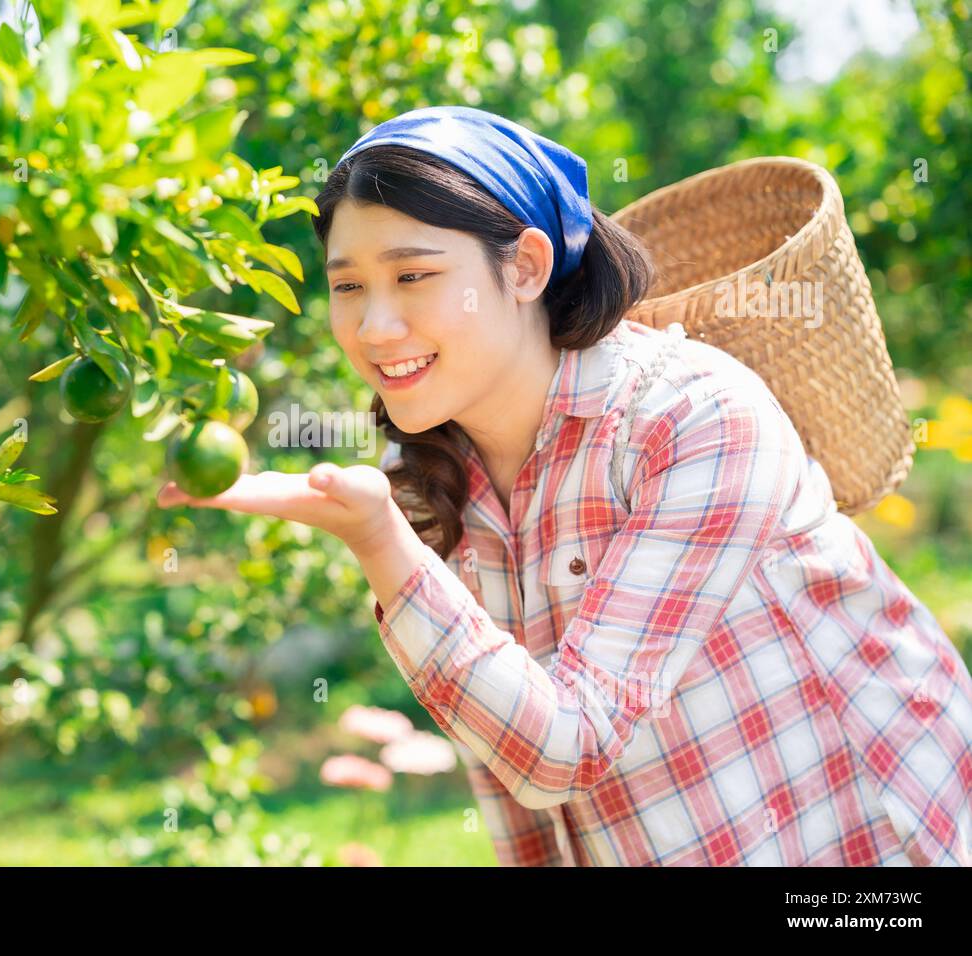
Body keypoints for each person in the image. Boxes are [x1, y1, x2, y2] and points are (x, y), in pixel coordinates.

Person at [157, 106, 972, 866]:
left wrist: (379, 543)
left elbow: (564, 752)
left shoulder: (692, 418)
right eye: (347, 286)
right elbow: (519, 786)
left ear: (526, 267)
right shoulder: (433, 480)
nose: (373, 327)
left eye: (412, 277)